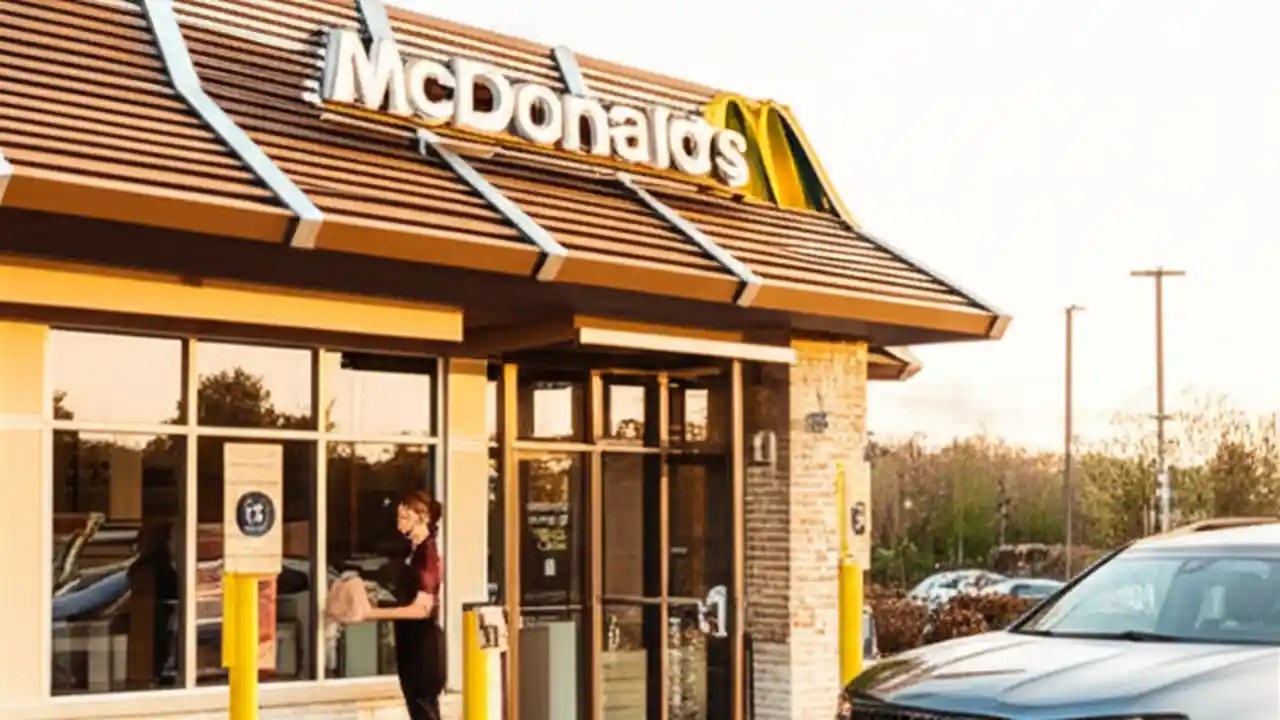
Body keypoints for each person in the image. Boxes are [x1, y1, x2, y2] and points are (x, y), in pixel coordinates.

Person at [354, 491, 445, 720]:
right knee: (416, 706)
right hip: (409, 640)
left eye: (405, 517)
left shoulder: (427, 555)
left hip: (423, 642)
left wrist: (373, 613)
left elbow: (422, 608)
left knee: (423, 707)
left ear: (422, 518)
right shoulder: (411, 552)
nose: (399, 522)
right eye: (398, 517)